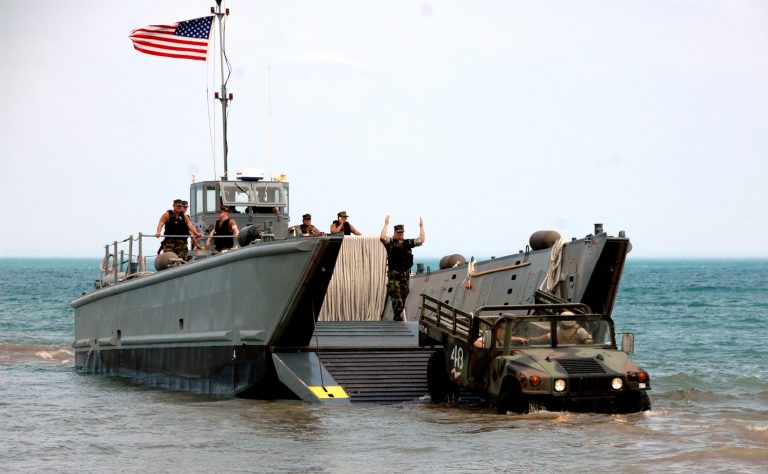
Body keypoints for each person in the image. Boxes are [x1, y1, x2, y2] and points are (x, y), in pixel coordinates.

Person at [380, 215, 424, 321]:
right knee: (396, 295)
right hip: (394, 275)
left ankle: (398, 313)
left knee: (404, 293)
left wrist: (421, 226)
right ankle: (397, 315)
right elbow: (382, 238)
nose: (400, 234)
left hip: (405, 274)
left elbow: (421, 240)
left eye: (402, 233)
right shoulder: (391, 243)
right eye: (398, 233)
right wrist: (386, 224)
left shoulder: (407, 243)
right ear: (395, 232)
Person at [527, 311, 593, 345]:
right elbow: (546, 337)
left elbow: (589, 343)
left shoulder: (580, 331)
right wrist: (531, 340)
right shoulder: (559, 331)